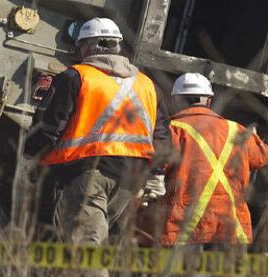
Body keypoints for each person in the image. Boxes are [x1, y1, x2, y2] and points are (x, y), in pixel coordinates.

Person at [24, 17, 169, 247]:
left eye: (80, 46)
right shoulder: (147, 85)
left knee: (86, 245)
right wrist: (157, 174)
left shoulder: (76, 77)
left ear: (87, 46)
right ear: (117, 46)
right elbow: (161, 135)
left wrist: (32, 157)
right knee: (90, 239)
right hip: (129, 180)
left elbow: (49, 126)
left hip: (88, 173)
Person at [159, 73, 268, 277]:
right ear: (209, 100)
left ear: (177, 99)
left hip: (186, 218)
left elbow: (159, 166)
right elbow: (262, 157)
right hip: (230, 220)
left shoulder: (173, 129)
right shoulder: (236, 130)